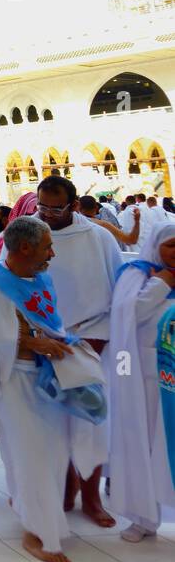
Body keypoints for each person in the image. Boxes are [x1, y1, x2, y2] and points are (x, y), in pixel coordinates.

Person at [0, 216, 73, 562]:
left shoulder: (43, 278)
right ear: (25, 247)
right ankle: (39, 532)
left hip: (50, 380)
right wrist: (32, 345)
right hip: (11, 381)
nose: (52, 253)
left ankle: (31, 508)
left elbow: (50, 322)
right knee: (30, 455)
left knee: (53, 452)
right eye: (47, 246)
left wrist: (62, 342)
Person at [34, 176, 121, 528]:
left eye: (55, 208)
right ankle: (64, 490)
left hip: (90, 337)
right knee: (51, 424)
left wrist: (102, 338)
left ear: (72, 205)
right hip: (45, 340)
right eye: (42, 206)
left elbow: (118, 290)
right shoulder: (30, 234)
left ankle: (92, 497)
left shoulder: (98, 237)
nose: (47, 214)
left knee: (90, 422)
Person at [106, 220, 175, 542]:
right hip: (146, 380)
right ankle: (143, 518)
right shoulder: (138, 273)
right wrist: (162, 283)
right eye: (171, 245)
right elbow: (127, 313)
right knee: (143, 445)